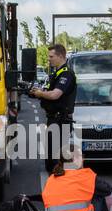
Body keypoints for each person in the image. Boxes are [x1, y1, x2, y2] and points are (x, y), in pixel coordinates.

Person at [26, 43, 77, 172]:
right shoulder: (56, 73)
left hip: (60, 121)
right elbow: (49, 92)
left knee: (56, 161)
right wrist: (38, 93)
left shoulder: (67, 74)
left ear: (60, 56)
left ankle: (59, 189)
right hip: (54, 120)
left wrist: (40, 93)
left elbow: (55, 95)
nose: (48, 59)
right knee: (50, 159)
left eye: (51, 56)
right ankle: (54, 186)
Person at [41, 156, 112, 211]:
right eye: (80, 157)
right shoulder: (86, 175)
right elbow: (107, 189)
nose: (83, 159)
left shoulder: (51, 179)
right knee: (98, 194)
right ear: (75, 160)